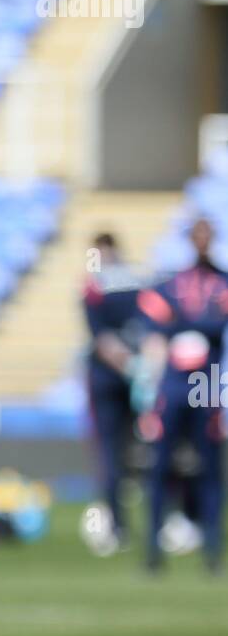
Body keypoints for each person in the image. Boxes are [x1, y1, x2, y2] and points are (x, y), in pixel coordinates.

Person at [137, 216, 228, 572]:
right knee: (160, 466)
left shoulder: (220, 282)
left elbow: (210, 325)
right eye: (198, 235)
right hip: (173, 384)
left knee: (209, 467)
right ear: (191, 239)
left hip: (206, 384)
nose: (203, 241)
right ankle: (153, 550)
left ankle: (211, 549)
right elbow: (155, 320)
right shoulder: (173, 283)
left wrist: (181, 321)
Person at [80, 233, 143, 553]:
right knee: (116, 455)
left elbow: (102, 339)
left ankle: (120, 526)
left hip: (111, 378)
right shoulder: (132, 281)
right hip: (125, 376)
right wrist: (135, 365)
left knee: (112, 454)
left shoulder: (96, 285)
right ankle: (119, 524)